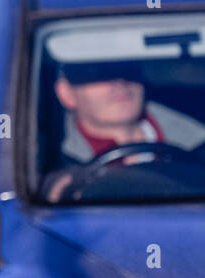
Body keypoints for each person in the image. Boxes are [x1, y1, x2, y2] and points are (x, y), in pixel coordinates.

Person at [44, 64, 205, 201]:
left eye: (126, 68)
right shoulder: (48, 165)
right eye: (97, 71)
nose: (119, 82)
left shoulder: (198, 146)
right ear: (66, 93)